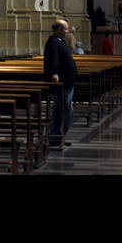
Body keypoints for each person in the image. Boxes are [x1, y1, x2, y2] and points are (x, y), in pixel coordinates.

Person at [44, 19, 77, 148]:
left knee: (60, 110)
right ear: (58, 30)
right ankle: (58, 136)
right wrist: (54, 73)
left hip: (67, 82)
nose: (67, 31)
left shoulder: (59, 41)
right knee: (65, 110)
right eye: (66, 29)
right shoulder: (53, 43)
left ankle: (57, 137)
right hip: (61, 83)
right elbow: (53, 60)